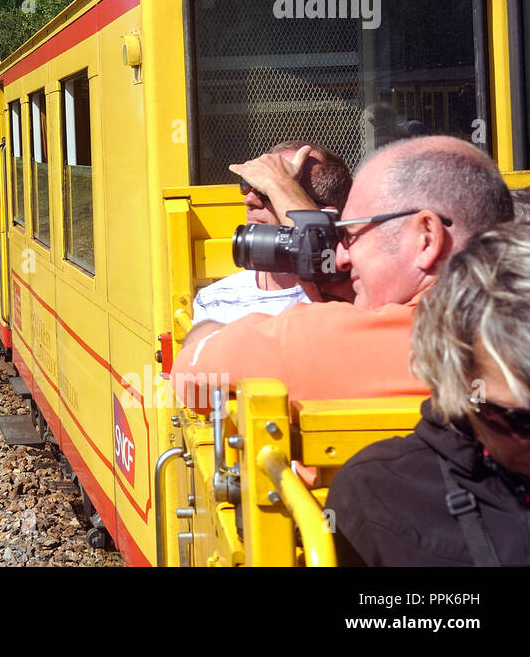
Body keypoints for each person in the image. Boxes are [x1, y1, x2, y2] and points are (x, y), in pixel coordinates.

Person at [171, 136, 513, 408]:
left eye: (351, 235)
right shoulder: (513, 328)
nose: (341, 257)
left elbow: (188, 378)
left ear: (426, 239)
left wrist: (206, 334)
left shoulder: (314, 340)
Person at [326, 222, 530, 566]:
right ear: (456, 383)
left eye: (354, 236)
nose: (344, 258)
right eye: (516, 420)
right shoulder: (379, 496)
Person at [192, 141, 351, 324]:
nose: (250, 199)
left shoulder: (353, 293)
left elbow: (326, 265)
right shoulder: (215, 302)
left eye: (270, 191)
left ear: (326, 213)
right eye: (248, 186)